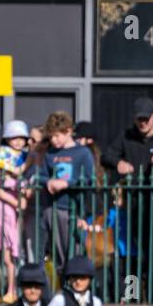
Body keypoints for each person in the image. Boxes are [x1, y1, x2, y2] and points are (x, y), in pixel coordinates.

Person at [37, 111, 96, 268]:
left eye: (57, 136)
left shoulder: (83, 153)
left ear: (68, 131)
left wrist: (67, 183)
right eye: (50, 137)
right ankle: (64, 289)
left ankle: (77, 287)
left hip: (73, 209)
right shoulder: (50, 154)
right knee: (58, 256)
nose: (53, 140)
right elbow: (41, 176)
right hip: (53, 208)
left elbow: (90, 179)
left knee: (75, 252)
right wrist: (49, 181)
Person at [0, 120, 29, 303]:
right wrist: (12, 188)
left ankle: (11, 290)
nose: (17, 141)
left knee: (11, 255)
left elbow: (24, 182)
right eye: (13, 137)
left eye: (21, 138)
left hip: (13, 214)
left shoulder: (26, 157)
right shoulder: (0, 155)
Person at [107, 98, 153, 179]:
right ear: (134, 117)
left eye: (146, 118)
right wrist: (119, 163)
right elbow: (106, 156)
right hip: (132, 189)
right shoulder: (126, 136)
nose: (143, 123)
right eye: (139, 118)